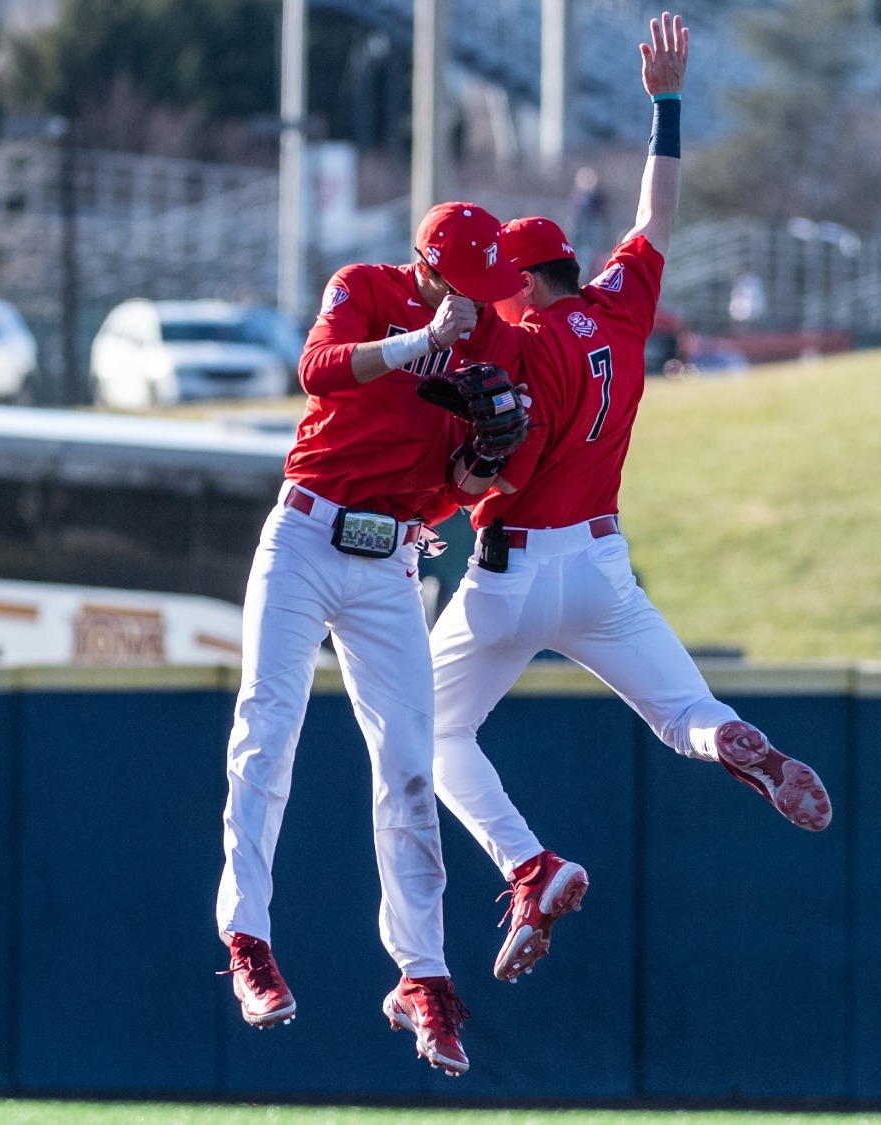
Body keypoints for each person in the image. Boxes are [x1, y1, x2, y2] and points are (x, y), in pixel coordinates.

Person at [426, 12, 833, 986]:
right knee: (680, 710)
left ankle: (529, 864)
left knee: (425, 732)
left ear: (524, 280)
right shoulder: (621, 305)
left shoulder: (516, 341)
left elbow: (466, 383)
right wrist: (667, 102)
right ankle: (724, 740)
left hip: (510, 572)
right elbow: (654, 217)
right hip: (601, 566)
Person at [215, 201, 529, 1078]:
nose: (491, 301)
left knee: (410, 765)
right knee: (267, 730)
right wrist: (416, 340)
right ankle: (247, 936)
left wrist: (470, 480)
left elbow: (457, 480)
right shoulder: (367, 289)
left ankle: (421, 972)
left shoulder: (492, 338)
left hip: (389, 557)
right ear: (431, 271)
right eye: (475, 285)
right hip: (307, 535)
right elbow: (316, 370)